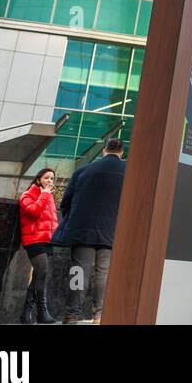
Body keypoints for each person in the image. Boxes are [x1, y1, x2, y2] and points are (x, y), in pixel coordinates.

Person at [53, 138, 126, 324]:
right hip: (111, 231)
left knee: (78, 271)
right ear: (122, 153)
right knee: (104, 273)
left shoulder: (83, 171)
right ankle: (99, 315)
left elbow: (65, 203)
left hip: (82, 230)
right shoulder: (129, 172)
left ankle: (72, 314)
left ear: (104, 151)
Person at [18, 168, 59, 324]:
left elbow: (52, 221)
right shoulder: (27, 195)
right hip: (34, 240)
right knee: (42, 272)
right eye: (47, 178)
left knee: (39, 275)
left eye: (52, 178)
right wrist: (45, 195)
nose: (50, 181)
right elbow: (33, 211)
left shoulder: (48, 197)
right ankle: (42, 311)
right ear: (38, 180)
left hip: (48, 241)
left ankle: (27, 312)